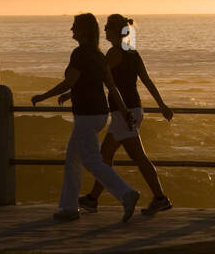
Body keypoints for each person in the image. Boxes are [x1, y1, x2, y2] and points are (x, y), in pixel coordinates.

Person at [32, 13, 140, 222]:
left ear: (84, 31)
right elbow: (110, 87)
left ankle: (125, 193)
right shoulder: (99, 55)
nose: (71, 30)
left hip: (86, 116)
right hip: (100, 114)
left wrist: (44, 96)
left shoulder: (79, 54)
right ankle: (69, 207)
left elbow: (70, 81)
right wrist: (125, 112)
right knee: (73, 158)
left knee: (91, 160)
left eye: (74, 27)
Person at [79, 14, 175, 216]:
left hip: (124, 113)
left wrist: (73, 89)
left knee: (113, 157)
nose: (103, 30)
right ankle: (94, 198)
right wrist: (162, 105)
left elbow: (97, 75)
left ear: (114, 31)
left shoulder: (114, 53)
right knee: (119, 157)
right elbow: (147, 81)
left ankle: (158, 198)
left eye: (106, 27)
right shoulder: (133, 52)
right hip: (135, 110)